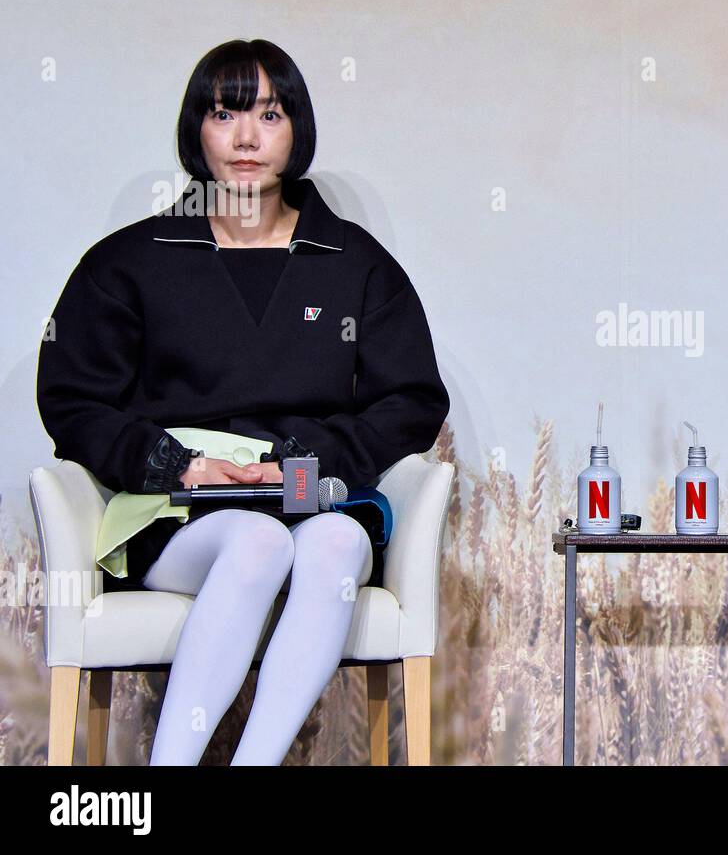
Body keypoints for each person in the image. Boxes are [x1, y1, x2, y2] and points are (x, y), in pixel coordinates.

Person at [36, 39, 450, 765]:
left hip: (311, 497)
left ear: (297, 129)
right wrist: (178, 464)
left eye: (270, 114)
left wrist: (304, 462)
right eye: (225, 114)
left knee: (338, 542)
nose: (248, 138)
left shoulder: (353, 262)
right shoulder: (130, 261)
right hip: (178, 513)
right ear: (197, 129)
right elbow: (73, 401)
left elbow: (412, 399)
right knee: (257, 541)